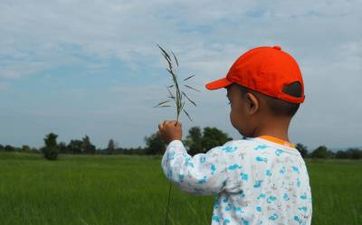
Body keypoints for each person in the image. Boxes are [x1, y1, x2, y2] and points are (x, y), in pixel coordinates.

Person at [158, 45, 312, 225]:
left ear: (250, 105)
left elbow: (188, 176)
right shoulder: (297, 162)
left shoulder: (237, 155)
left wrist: (174, 142)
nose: (230, 108)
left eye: (230, 102)